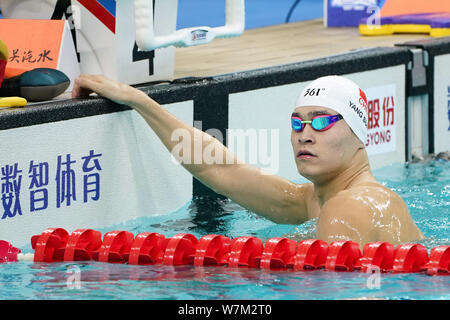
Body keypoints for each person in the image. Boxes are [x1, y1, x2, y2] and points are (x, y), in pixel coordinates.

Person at [72, 74, 425, 246]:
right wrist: (140, 101)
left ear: (360, 134)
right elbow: (218, 168)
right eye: (297, 122)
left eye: (321, 121)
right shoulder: (316, 201)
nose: (305, 133)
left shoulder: (346, 208)